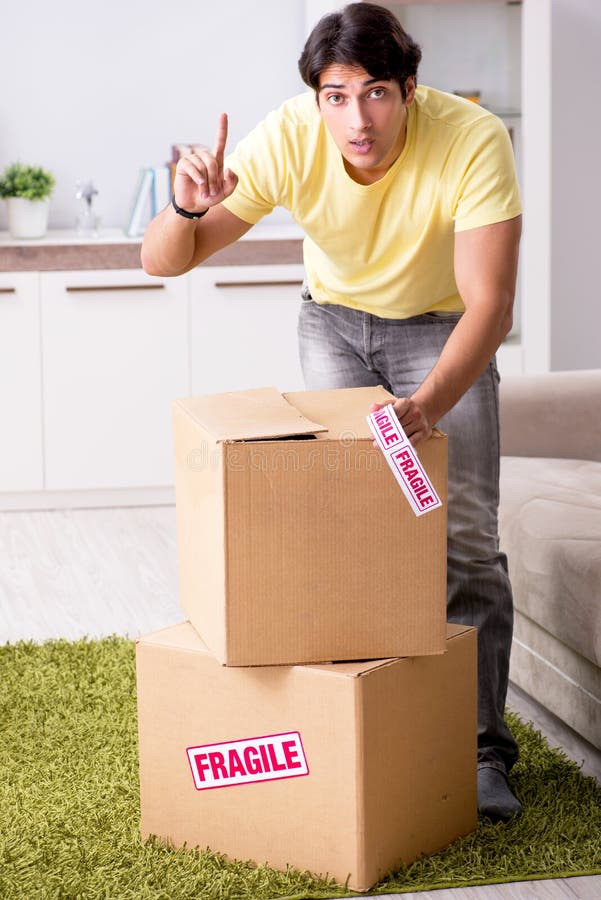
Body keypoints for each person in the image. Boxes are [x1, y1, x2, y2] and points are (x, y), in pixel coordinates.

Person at [142, 1, 523, 821]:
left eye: (377, 92)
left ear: (410, 90)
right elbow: (163, 263)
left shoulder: (472, 138)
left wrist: (424, 407)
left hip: (442, 329)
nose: (357, 117)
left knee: (463, 539)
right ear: (316, 97)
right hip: (336, 326)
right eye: (337, 95)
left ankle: (482, 748)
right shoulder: (285, 136)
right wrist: (184, 206)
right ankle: (371, 721)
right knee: (357, 525)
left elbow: (489, 306)